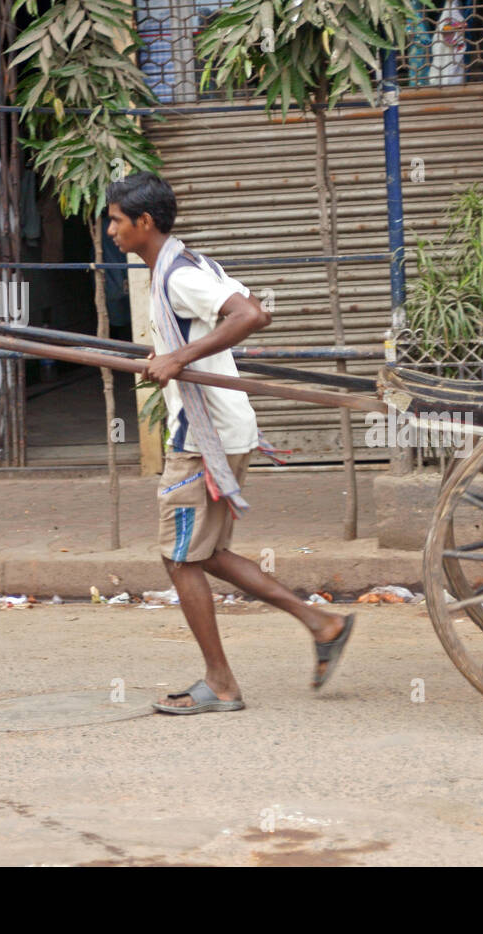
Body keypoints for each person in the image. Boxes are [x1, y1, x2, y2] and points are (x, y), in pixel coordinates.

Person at [105, 173, 354, 715]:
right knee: (207, 554)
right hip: (219, 429)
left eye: (117, 220)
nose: (111, 230)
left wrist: (178, 359)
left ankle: (221, 684)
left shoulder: (179, 276)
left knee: (179, 558)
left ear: (144, 223)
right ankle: (323, 622)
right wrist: (174, 354)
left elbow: (252, 314)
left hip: (203, 439)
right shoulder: (180, 263)